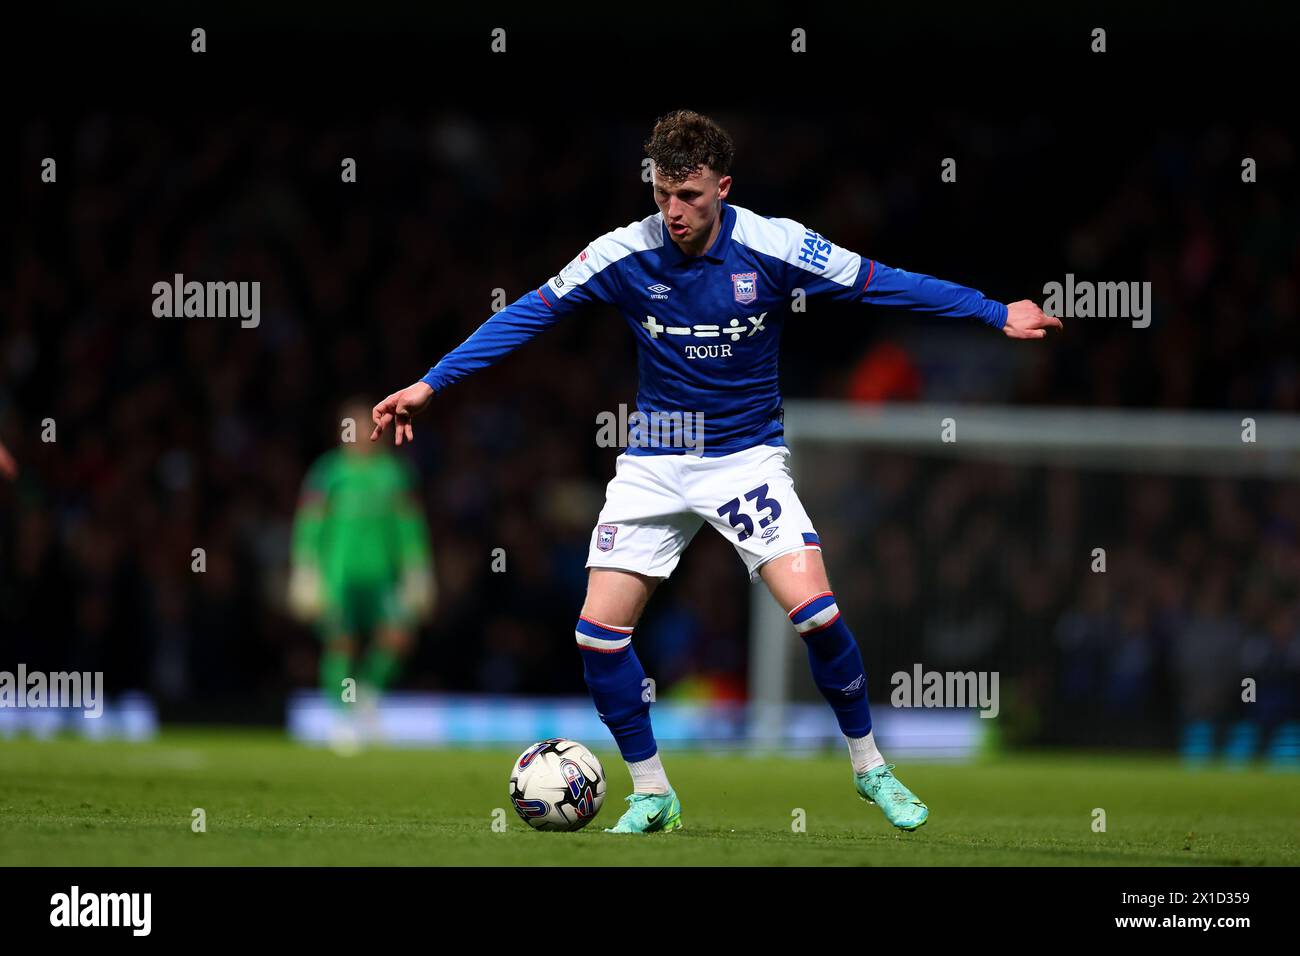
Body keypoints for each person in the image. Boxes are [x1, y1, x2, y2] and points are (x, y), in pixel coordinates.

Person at [370, 110, 1061, 831]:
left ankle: (870, 768)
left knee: (817, 614)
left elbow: (883, 282)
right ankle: (651, 791)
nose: (673, 211)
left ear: (722, 188)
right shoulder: (622, 252)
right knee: (597, 636)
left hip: (745, 459)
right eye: (663, 194)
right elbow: (528, 314)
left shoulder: (776, 243)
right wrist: (429, 383)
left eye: (690, 196)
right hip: (655, 459)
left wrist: (992, 311)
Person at [289, 398, 436, 752]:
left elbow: (409, 525)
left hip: (383, 577)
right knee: (341, 643)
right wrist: (304, 568)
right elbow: (310, 523)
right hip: (337, 576)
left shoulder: (393, 473)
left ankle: (366, 697)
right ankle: (342, 718)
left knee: (398, 637)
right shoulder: (329, 472)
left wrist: (418, 569)